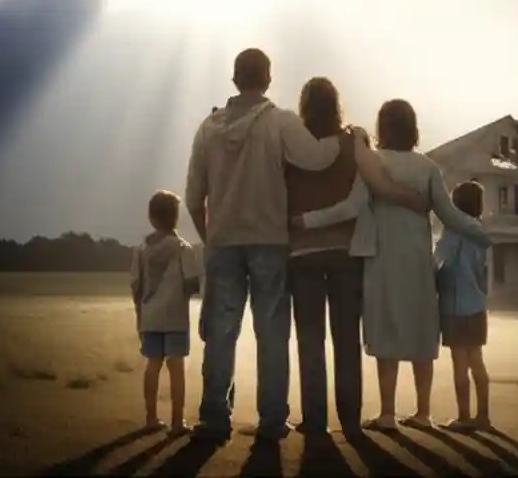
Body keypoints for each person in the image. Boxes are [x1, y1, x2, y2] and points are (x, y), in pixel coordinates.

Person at [185, 49, 406, 443]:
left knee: (222, 332)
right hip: (271, 240)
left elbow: (192, 197)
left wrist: (210, 239)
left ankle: (214, 417)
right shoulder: (280, 123)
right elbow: (319, 158)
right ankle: (275, 420)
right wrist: (352, 138)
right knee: (273, 333)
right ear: (268, 79)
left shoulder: (207, 128)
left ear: (234, 79)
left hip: (227, 243)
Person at [296, 99, 490, 432]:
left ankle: (387, 413)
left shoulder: (373, 163)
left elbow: (350, 208)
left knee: (386, 329)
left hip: (381, 259)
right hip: (418, 261)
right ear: (413, 128)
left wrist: (306, 220)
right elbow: (449, 214)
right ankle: (423, 412)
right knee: (420, 331)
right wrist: (483, 233)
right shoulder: (427, 167)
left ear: (382, 127)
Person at [284, 77, 430, 436]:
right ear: (337, 104)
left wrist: (301, 221)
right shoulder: (355, 142)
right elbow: (359, 201)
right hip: (345, 255)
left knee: (310, 341)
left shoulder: (290, 147)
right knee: (346, 340)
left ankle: (315, 420)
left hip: (302, 253)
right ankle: (350, 421)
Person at [129, 190, 200, 437]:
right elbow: (192, 283)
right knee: (176, 367)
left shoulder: (140, 250)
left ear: (151, 217)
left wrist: (140, 313)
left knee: (153, 364)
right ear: (176, 217)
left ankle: (150, 418)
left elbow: (135, 286)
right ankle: (177, 423)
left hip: (149, 317)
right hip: (175, 318)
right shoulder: (183, 248)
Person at [435, 181, 494, 432]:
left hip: (455, 306)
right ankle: (483, 416)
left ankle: (463, 417)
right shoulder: (480, 233)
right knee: (477, 360)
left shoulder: (453, 231)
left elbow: (439, 263)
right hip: (477, 304)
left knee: (459, 362)